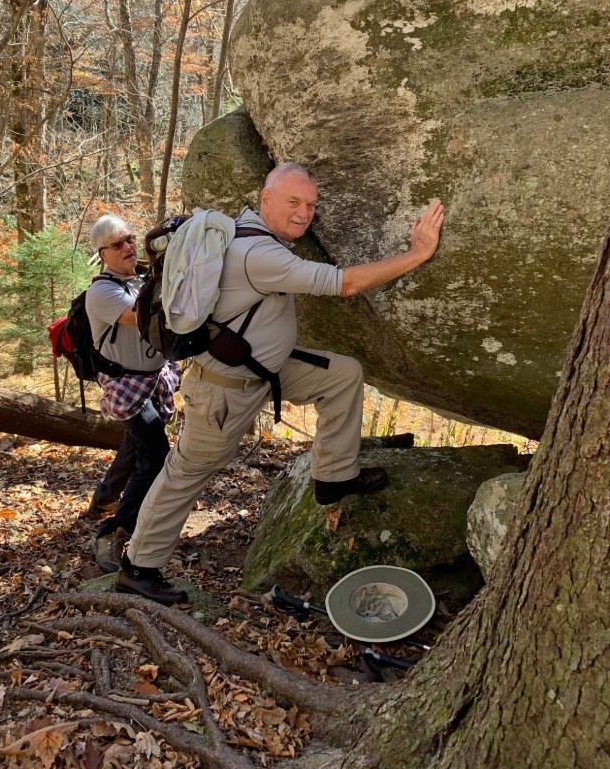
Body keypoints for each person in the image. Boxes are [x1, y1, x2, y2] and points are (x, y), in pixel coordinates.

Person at [114, 163, 445, 604]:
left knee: (342, 374)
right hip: (226, 391)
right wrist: (417, 254)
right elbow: (343, 284)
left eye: (310, 204)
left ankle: (333, 476)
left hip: (266, 372)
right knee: (185, 473)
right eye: (294, 202)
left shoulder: (246, 229)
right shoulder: (260, 255)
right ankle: (138, 566)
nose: (304, 213)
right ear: (265, 199)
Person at [85, 215, 180, 571]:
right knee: (155, 455)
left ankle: (104, 498)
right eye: (117, 244)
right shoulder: (102, 292)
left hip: (153, 378)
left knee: (136, 445)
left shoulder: (139, 278)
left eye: (129, 240)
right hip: (125, 385)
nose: (127, 248)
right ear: (102, 253)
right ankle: (113, 532)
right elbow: (144, 317)